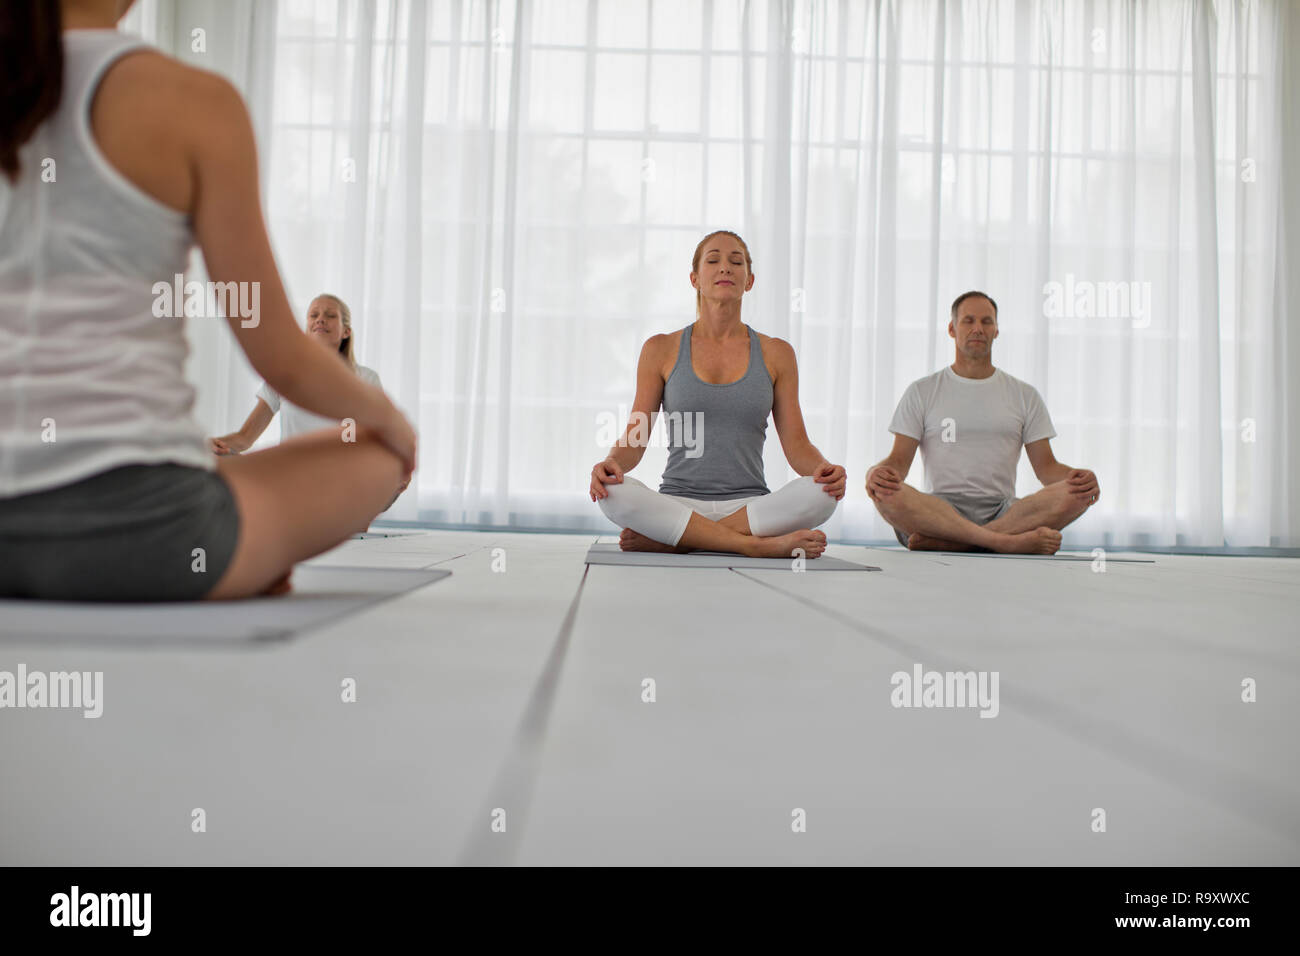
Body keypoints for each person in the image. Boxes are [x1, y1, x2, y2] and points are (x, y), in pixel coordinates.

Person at [0, 0, 415, 601]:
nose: (321, 320)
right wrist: (397, 426)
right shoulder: (195, 101)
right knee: (380, 452)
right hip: (149, 535)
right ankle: (244, 552)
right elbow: (281, 359)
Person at [590, 230, 844, 559]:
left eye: (735, 262)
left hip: (750, 506)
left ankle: (680, 540)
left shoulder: (777, 353)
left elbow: (797, 446)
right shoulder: (660, 349)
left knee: (822, 494)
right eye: (713, 260)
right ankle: (752, 545)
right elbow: (636, 438)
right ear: (695, 278)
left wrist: (826, 470)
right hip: (677, 502)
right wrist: (610, 463)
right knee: (613, 492)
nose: (725, 268)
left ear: (749, 280)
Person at [866, 290, 1099, 554]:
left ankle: (956, 543)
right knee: (887, 492)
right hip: (938, 511)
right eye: (969, 321)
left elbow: (1047, 469)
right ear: (952, 329)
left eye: (986, 321)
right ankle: (1004, 543)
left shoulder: (1024, 395)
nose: (978, 328)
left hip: (1006, 512)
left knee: (1078, 494)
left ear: (997, 330)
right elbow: (898, 462)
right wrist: (876, 473)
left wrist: (1077, 479)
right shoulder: (922, 391)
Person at [208, 293, 382, 453]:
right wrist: (205, 445)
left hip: (342, 482)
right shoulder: (284, 375)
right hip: (290, 481)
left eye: (330, 315)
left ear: (346, 331)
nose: (320, 319)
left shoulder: (367, 380)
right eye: (314, 315)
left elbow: (380, 441)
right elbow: (244, 439)